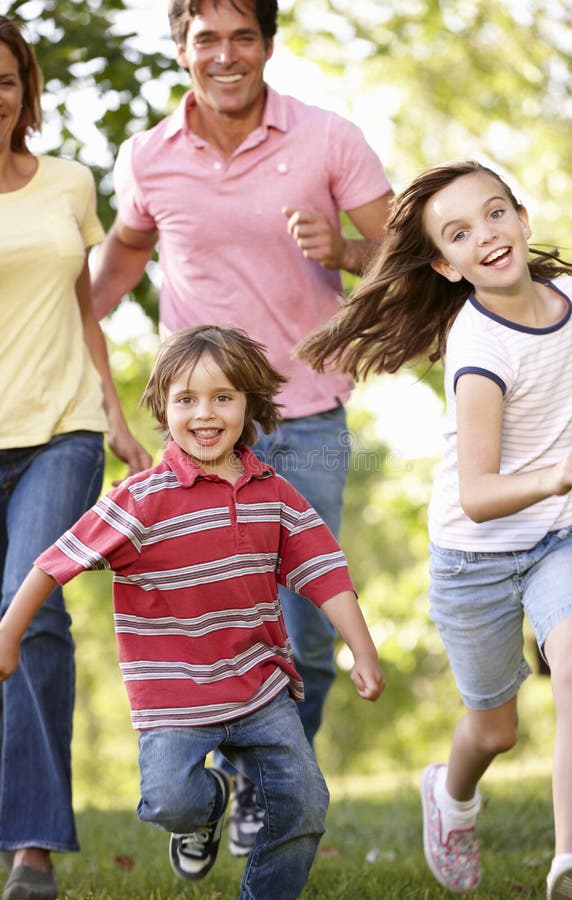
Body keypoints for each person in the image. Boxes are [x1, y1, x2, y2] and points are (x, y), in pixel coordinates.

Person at [90, 0, 393, 852]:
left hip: (306, 418)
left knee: (311, 639)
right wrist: (63, 327)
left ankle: (262, 784)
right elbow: (117, 260)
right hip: (196, 431)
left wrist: (342, 250)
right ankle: (203, 786)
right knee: (197, 629)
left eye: (243, 37)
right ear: (183, 49)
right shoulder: (148, 155)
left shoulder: (329, 138)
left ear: (267, 44)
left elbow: (411, 250)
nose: (226, 56)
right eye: (207, 39)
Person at [297, 160, 572, 899]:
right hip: (475, 557)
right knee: (496, 731)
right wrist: (557, 470)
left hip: (559, 538)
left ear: (524, 219)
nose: (487, 236)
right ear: (445, 265)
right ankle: (452, 794)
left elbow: (553, 400)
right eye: (460, 233)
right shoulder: (477, 350)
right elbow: (479, 493)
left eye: (496, 214)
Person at [0, 325, 385, 900]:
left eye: (222, 397)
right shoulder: (141, 500)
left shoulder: (273, 494)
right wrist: (9, 633)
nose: (204, 414)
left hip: (260, 687)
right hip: (173, 695)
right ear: (163, 408)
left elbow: (324, 569)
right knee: (170, 803)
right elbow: (55, 563)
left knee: (305, 804)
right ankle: (207, 812)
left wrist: (363, 647)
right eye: (186, 399)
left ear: (250, 403)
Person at [0, 16, 152, 900]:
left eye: (9, 78)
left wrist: (117, 415)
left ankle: (31, 846)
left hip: (63, 427)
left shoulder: (69, 182)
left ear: (27, 90)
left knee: (33, 607)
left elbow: (83, 308)